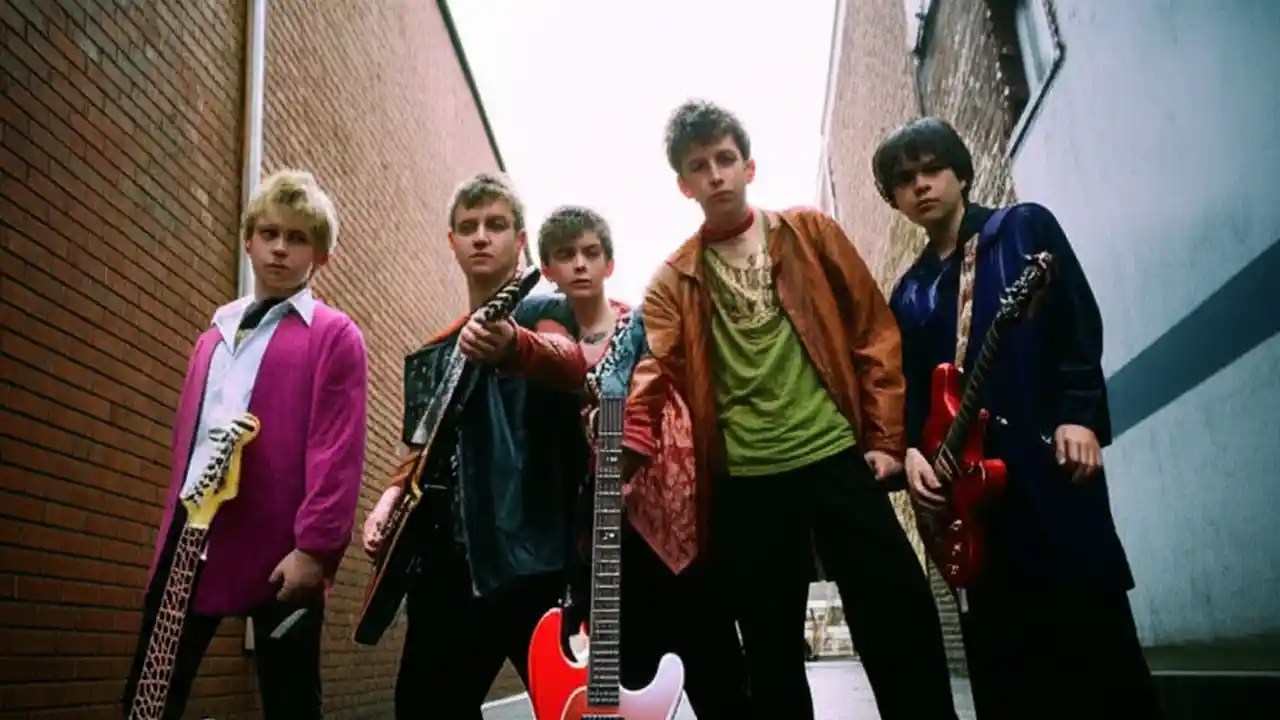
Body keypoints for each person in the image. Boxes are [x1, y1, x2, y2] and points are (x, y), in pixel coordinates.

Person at [623, 99, 958, 719]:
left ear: (749, 166)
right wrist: (620, 428)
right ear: (684, 183)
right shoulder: (672, 280)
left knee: (899, 613)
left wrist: (884, 440)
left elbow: (873, 332)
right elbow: (653, 370)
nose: (716, 174)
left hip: (835, 455)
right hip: (748, 481)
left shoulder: (810, 233)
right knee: (772, 650)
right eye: (700, 165)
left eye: (726, 158)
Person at [877, 116, 1161, 718]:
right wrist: (910, 453)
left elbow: (1075, 322)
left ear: (961, 172)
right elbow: (906, 393)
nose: (921, 185)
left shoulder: (1022, 227)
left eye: (931, 169)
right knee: (1006, 666)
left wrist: (1079, 415)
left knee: (1094, 643)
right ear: (896, 199)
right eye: (905, 180)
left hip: (1044, 466)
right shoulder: (908, 293)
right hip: (969, 502)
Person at [123, 169, 368, 719]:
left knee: (290, 703)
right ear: (249, 241)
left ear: (319, 255)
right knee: (150, 696)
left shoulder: (333, 335)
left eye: (298, 237)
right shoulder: (212, 336)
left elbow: (338, 450)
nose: (281, 248)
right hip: (191, 537)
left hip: (282, 547)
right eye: (270, 233)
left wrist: (316, 549)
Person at [361, 172, 588, 719]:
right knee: (422, 708)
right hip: (446, 569)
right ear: (452, 242)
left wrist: (515, 347)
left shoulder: (541, 311)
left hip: (531, 559)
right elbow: (421, 452)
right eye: (468, 227)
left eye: (496, 225)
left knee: (569, 708)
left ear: (521, 239)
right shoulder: (434, 353)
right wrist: (390, 496)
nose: (481, 236)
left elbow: (574, 363)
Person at [536, 205, 751, 716]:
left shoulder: (644, 329)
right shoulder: (546, 347)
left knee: (720, 682)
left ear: (610, 263)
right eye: (566, 256)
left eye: (592, 252)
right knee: (623, 689)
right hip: (609, 552)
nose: (581, 264)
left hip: (675, 533)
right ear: (548, 271)